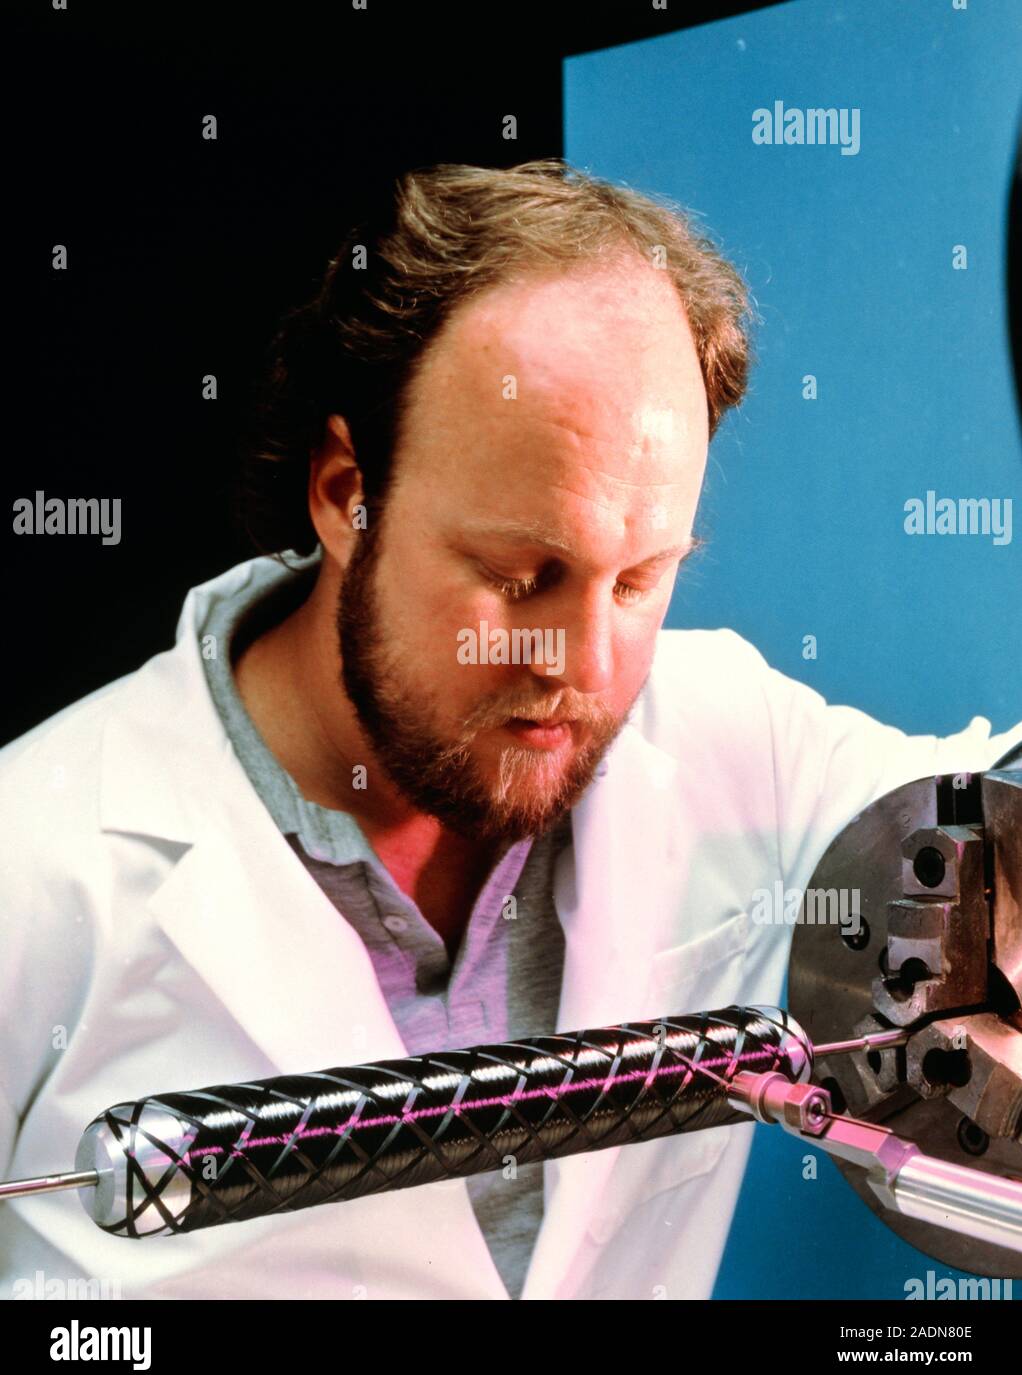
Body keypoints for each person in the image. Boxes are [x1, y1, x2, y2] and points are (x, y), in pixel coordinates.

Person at [1, 159, 1018, 1301]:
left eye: (639, 580)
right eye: (518, 574)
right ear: (345, 492)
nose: (582, 669)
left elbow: (979, 809)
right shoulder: (31, 865)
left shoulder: (728, 737)